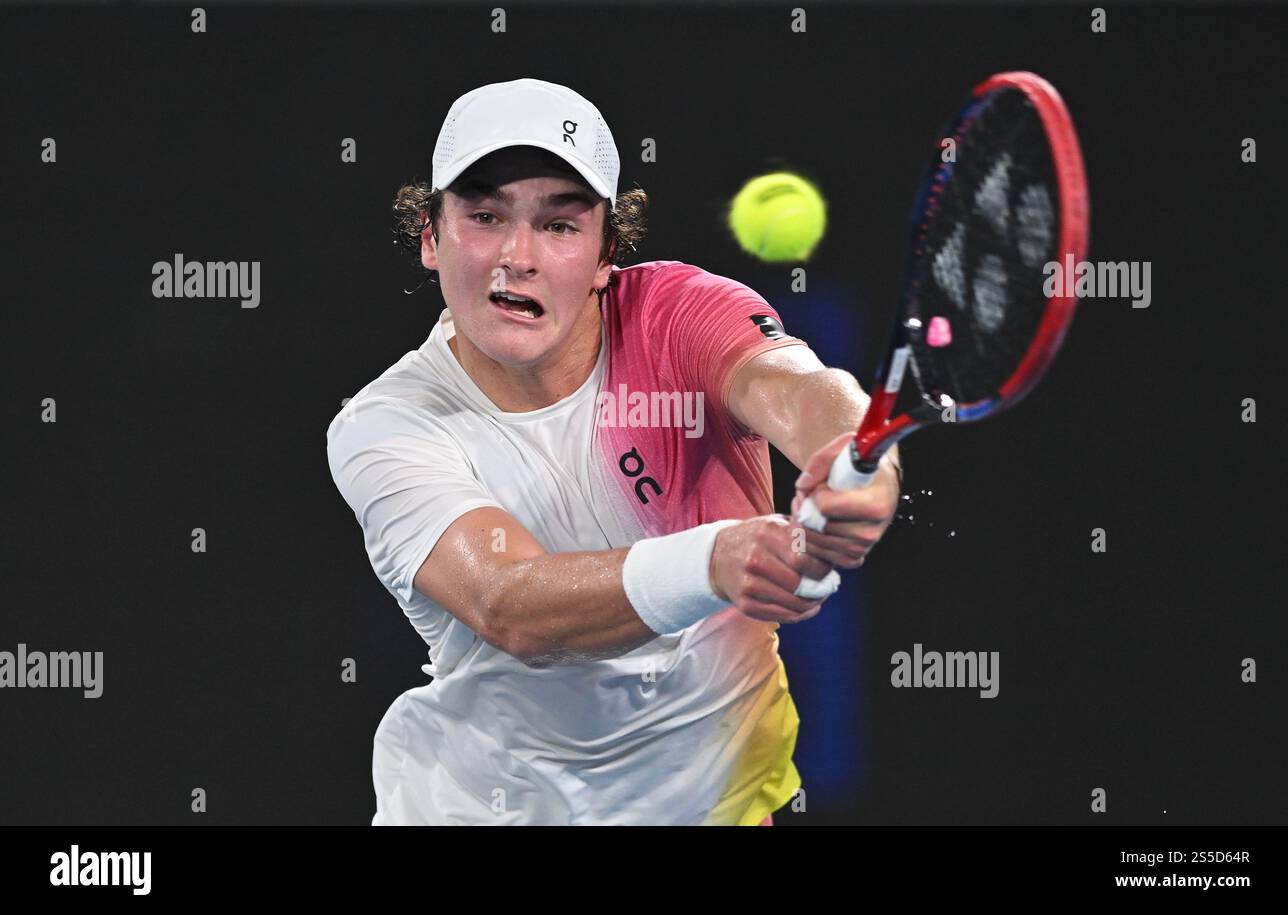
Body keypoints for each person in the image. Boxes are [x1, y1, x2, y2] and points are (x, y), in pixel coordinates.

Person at [325, 78, 901, 825]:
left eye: (560, 226)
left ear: (607, 254)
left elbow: (794, 385)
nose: (516, 256)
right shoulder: (387, 423)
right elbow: (512, 603)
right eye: (485, 216)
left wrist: (861, 462)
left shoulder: (679, 315)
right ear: (431, 236)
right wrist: (717, 560)